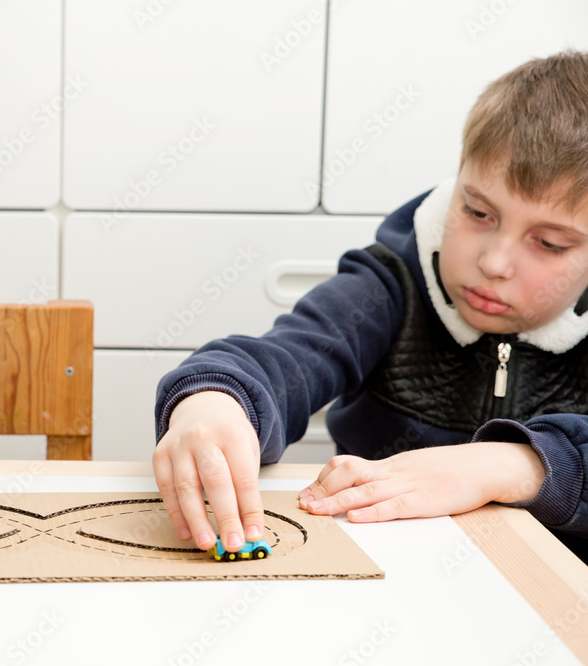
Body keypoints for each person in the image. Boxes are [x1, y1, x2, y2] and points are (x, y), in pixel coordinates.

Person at [153, 51, 588, 559]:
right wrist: (214, 400)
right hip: (377, 578)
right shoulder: (386, 286)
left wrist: (517, 465)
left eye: (550, 243)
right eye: (477, 212)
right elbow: (283, 359)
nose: (494, 263)